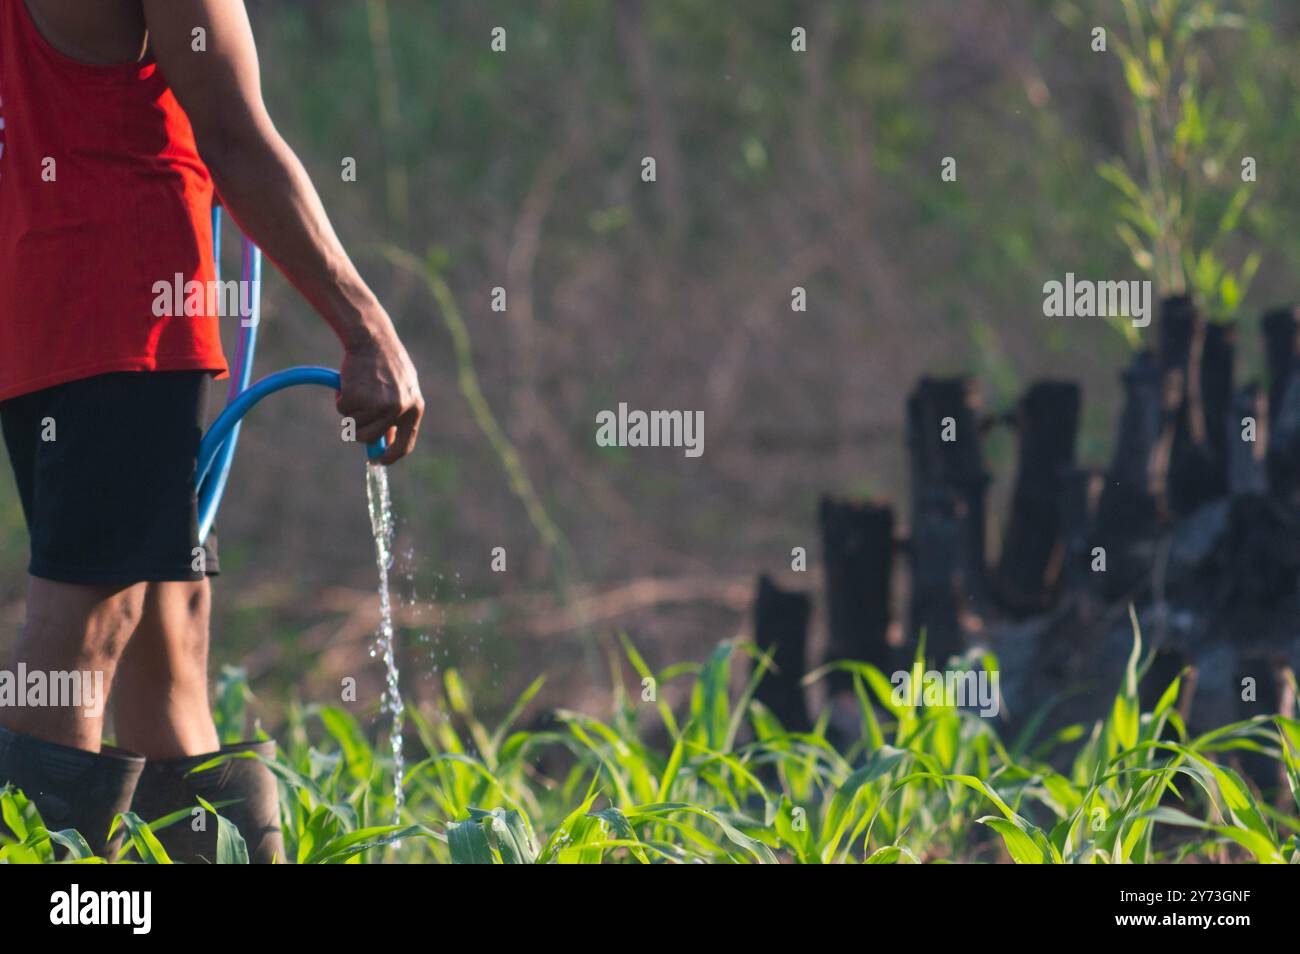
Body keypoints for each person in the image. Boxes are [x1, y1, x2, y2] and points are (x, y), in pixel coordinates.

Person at [0, 0, 423, 862]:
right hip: (127, 316)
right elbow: (231, 135)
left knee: (168, 627)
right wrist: (364, 323)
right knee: (84, 623)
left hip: (43, 310)